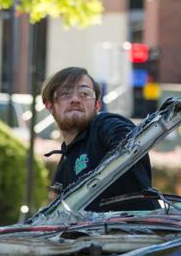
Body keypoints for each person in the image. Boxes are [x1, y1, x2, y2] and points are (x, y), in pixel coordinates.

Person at [43, 66, 152, 210]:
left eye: (84, 93)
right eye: (65, 93)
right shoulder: (63, 166)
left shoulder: (104, 126)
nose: (75, 99)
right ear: (50, 105)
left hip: (139, 231)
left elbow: (127, 138)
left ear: (97, 105)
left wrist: (124, 141)